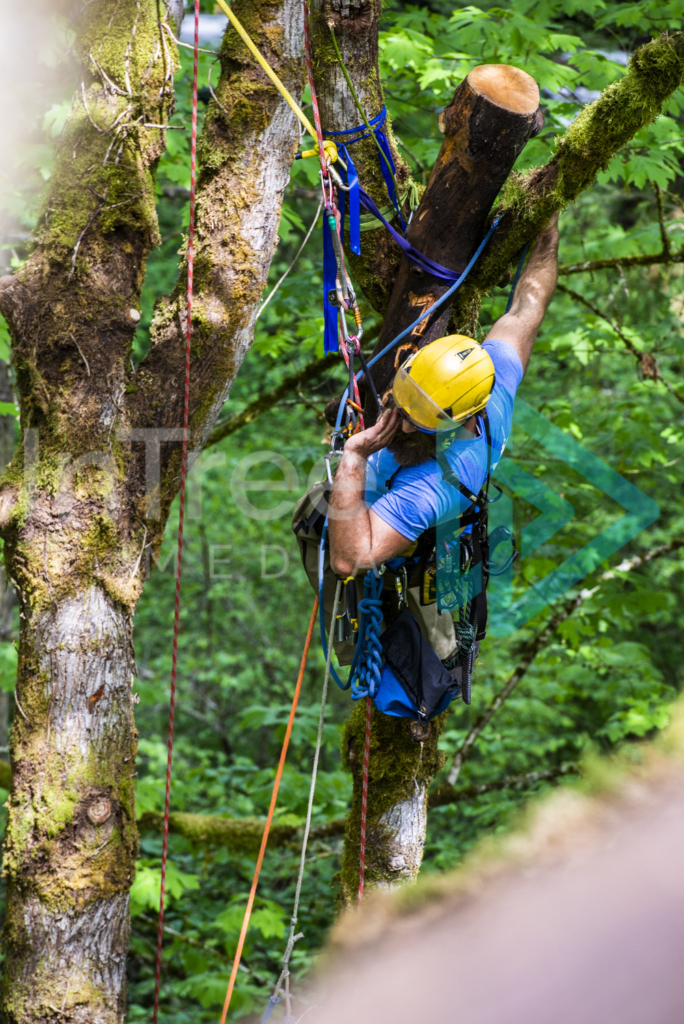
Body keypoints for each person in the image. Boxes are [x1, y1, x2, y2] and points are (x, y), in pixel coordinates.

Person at [328, 213, 559, 581]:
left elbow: (347, 561)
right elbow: (527, 306)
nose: (400, 427)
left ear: (461, 423)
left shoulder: (432, 484)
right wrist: (547, 225)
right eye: (401, 408)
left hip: (386, 581)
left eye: (416, 422)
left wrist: (355, 456)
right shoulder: (489, 380)